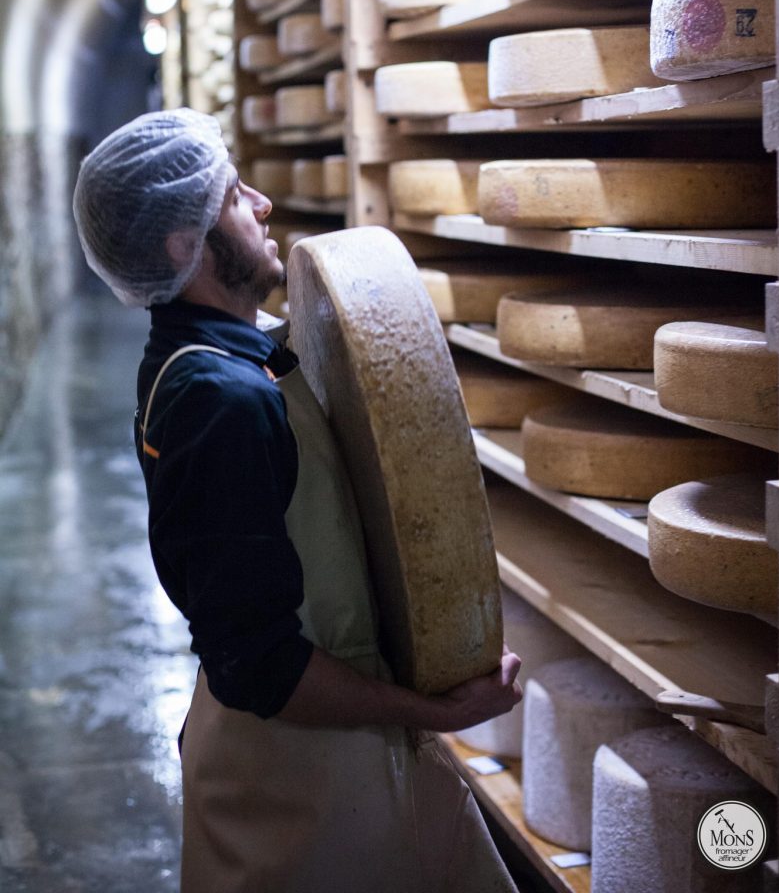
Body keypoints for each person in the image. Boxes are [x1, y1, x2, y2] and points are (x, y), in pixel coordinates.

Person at [73, 108, 522, 893]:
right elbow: (263, 666)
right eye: (232, 197)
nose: (262, 203)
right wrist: (434, 713)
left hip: (309, 751)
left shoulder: (201, 356)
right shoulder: (222, 400)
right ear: (186, 244)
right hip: (293, 776)